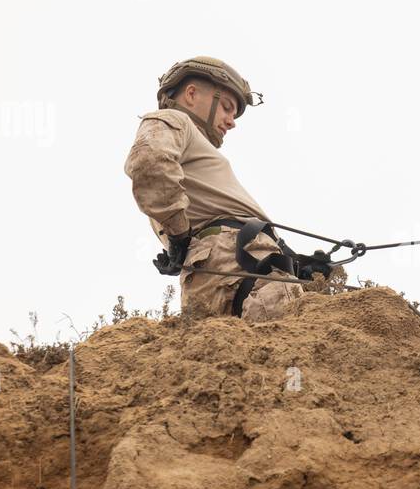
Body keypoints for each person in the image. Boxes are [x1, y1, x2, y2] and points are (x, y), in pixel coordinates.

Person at [124, 56, 302, 321]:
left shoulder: (193, 151)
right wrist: (178, 235)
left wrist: (301, 263)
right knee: (286, 344)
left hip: (224, 263)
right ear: (192, 94)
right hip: (238, 256)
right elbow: (149, 162)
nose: (232, 121)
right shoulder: (174, 120)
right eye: (227, 107)